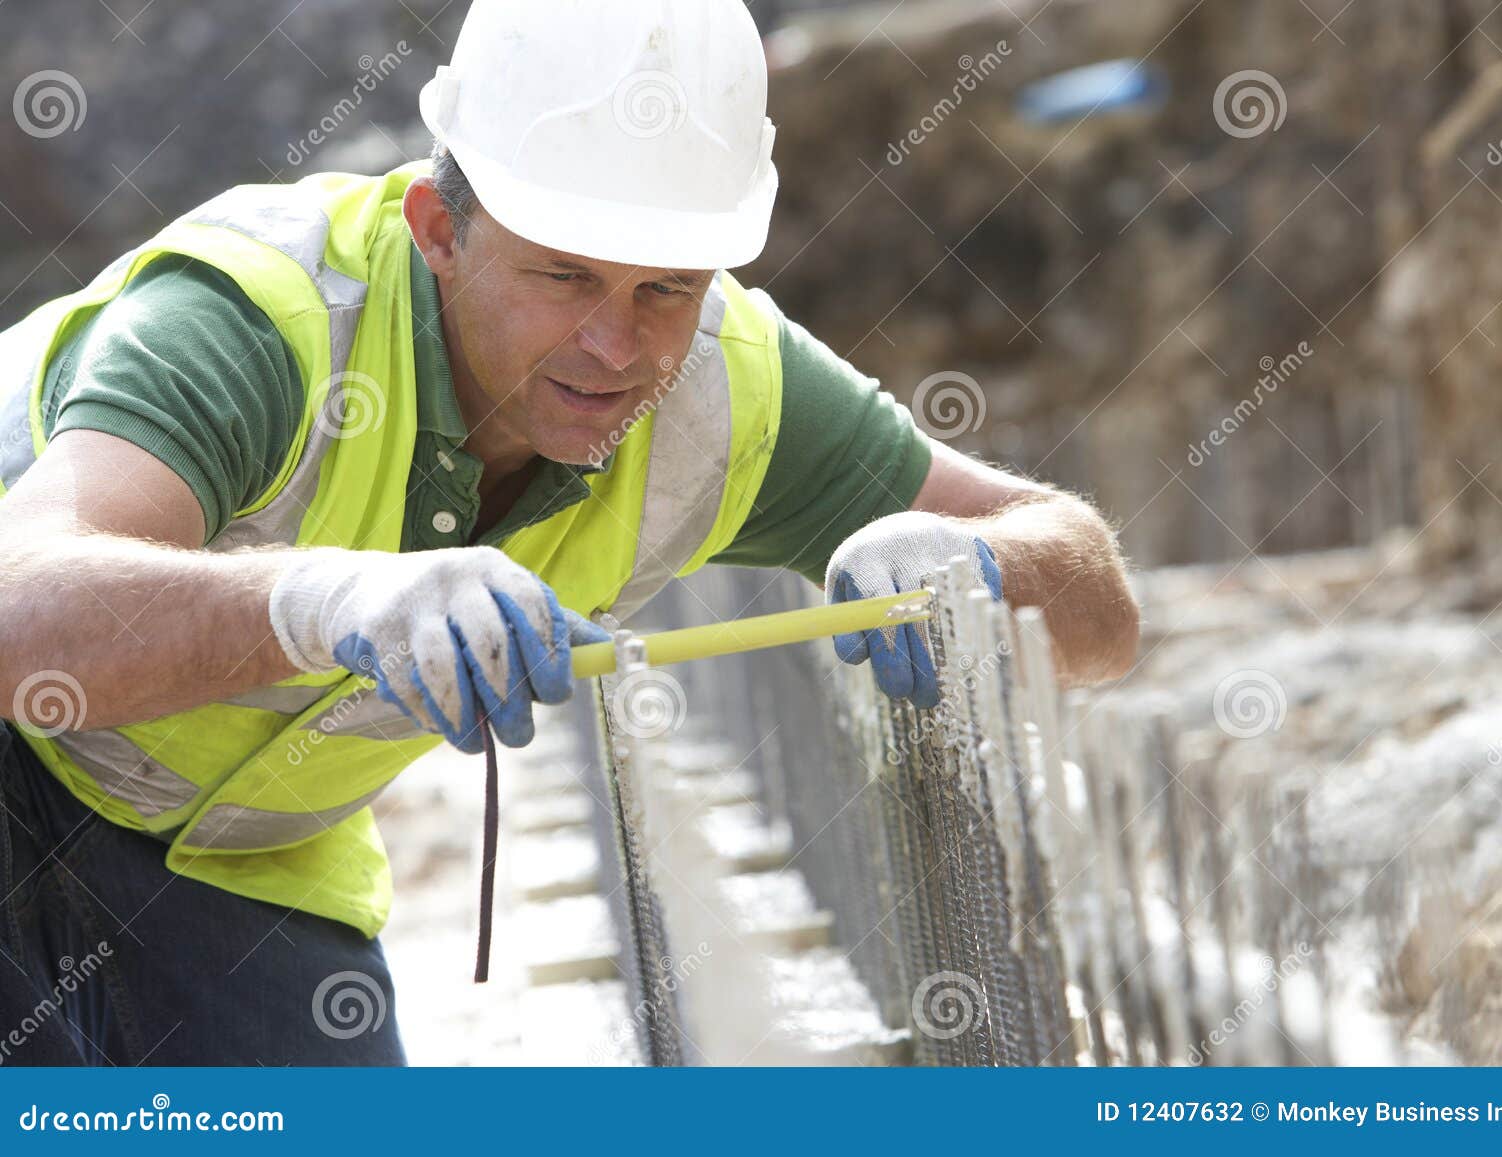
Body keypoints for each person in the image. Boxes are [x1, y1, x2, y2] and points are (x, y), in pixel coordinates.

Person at [0, 0, 1138, 1065]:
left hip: (233, 854)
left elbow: (1098, 609)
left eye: (666, 288)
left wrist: (983, 565)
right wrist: (322, 601)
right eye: (563, 275)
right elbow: (20, 622)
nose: (618, 345)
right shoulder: (260, 325)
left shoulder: (728, 391)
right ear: (438, 225)